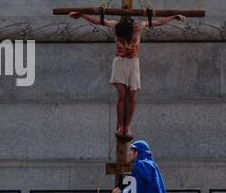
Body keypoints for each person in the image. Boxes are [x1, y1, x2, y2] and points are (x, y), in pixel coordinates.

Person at [66, 11, 187, 139]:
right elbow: (97, 21)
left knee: (132, 96)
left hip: (133, 62)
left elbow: (158, 22)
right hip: (120, 62)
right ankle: (120, 127)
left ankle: (127, 126)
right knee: (122, 95)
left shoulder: (139, 26)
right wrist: (82, 15)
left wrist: (173, 17)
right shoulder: (116, 25)